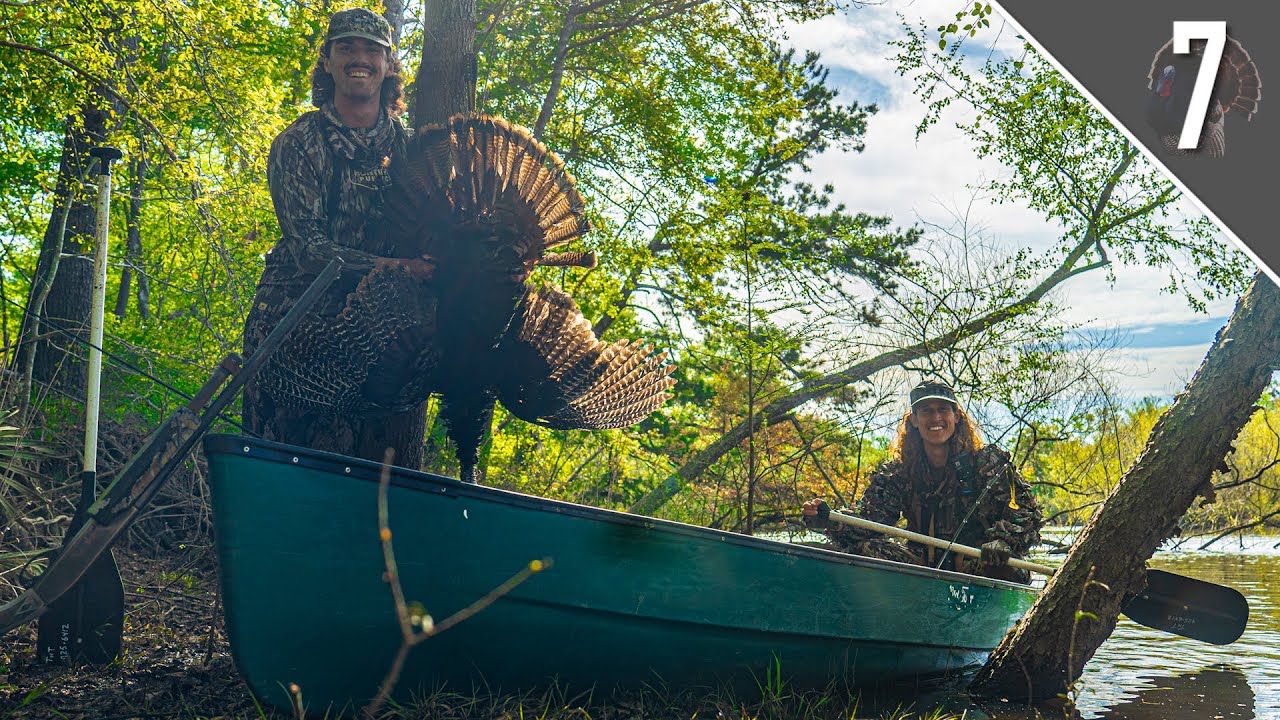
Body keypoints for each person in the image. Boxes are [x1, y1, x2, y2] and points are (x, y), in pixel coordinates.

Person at [242, 7, 430, 468]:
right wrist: (398, 269)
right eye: (346, 47)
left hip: (377, 334)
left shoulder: (410, 151)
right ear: (327, 61)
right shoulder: (300, 142)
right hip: (295, 324)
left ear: (389, 65)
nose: (358, 58)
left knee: (365, 479)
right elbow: (308, 249)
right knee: (284, 470)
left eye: (371, 49)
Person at [802, 381, 1044, 583]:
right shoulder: (898, 473)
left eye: (942, 410)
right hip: (922, 571)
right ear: (915, 420)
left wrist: (1002, 542)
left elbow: (1027, 513)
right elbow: (870, 520)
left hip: (980, 567)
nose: (935, 417)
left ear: (956, 416)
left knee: (1007, 567)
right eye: (926, 411)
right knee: (861, 549)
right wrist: (829, 519)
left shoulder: (988, 463)